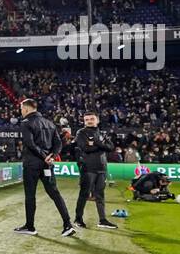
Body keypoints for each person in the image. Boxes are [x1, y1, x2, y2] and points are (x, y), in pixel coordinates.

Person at [15, 98, 75, 237]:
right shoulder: (49, 123)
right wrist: (51, 156)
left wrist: (43, 156)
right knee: (54, 193)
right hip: (47, 165)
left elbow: (30, 143)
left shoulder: (25, 123)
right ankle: (67, 224)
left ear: (27, 109)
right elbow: (58, 144)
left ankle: (30, 227)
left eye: (22, 109)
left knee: (30, 195)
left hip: (32, 164)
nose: (21, 111)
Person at [72, 112, 117, 230]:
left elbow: (111, 147)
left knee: (100, 195)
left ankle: (103, 220)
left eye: (92, 119)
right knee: (84, 194)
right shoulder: (81, 133)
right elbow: (85, 148)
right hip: (88, 168)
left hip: (102, 168)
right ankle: (78, 219)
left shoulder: (101, 133)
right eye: (86, 119)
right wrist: (101, 144)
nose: (89, 121)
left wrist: (95, 143)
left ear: (97, 120)